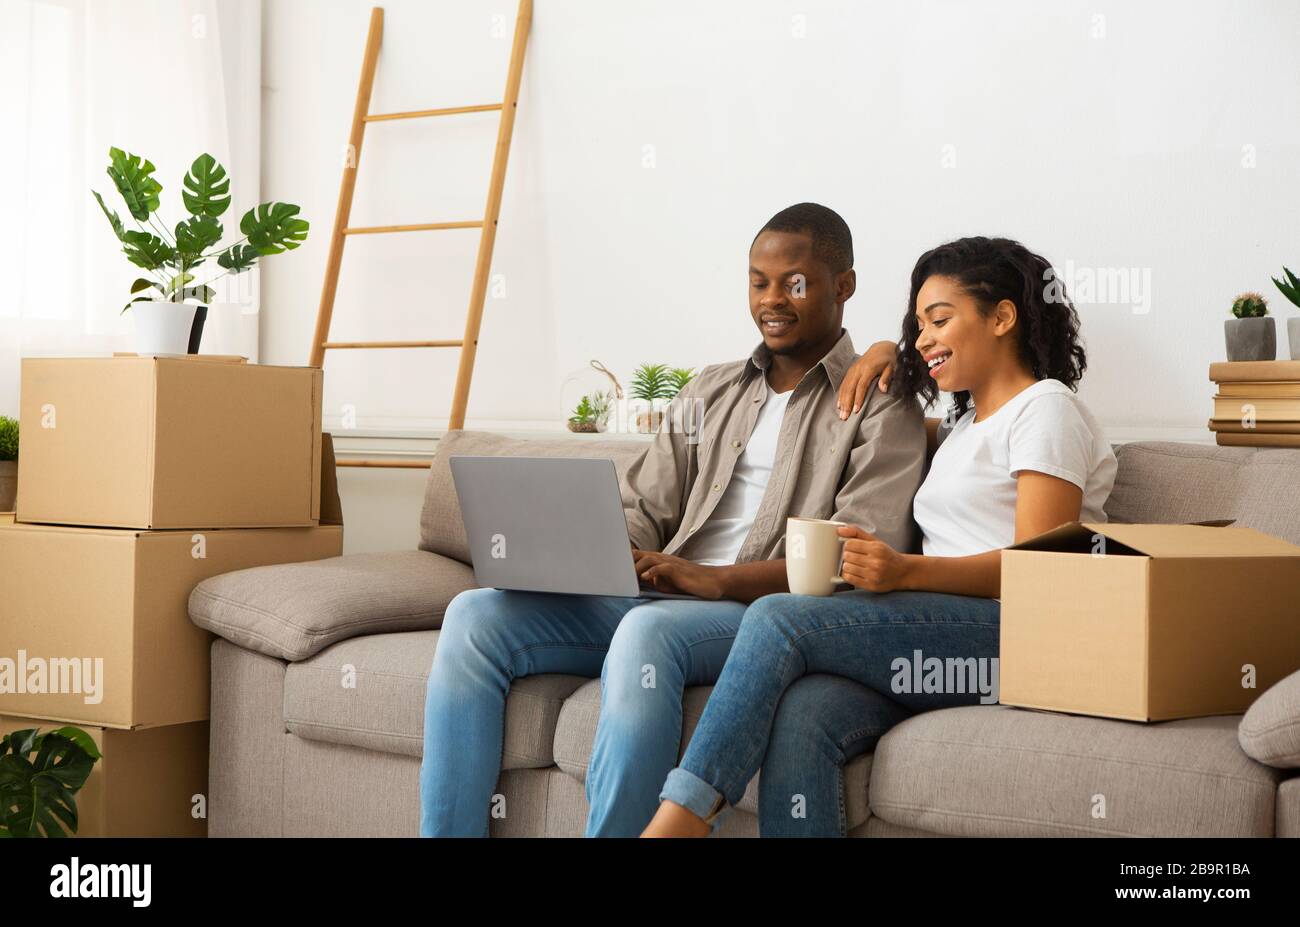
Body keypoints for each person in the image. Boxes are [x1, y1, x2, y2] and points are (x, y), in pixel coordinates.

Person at [419, 203, 928, 837]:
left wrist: (710, 580)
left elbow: (855, 558)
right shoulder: (709, 391)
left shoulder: (880, 402)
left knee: (647, 635)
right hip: (657, 590)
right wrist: (598, 557)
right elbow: (644, 509)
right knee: (473, 615)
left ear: (843, 286)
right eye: (758, 281)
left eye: (794, 282)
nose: (773, 299)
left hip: (754, 615)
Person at [642, 235, 1119, 837]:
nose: (924, 338)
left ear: (1003, 317)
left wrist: (905, 571)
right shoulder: (964, 423)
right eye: (917, 325)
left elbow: (1045, 570)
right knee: (804, 713)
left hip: (1019, 636)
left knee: (777, 617)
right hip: (945, 642)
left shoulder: (1046, 410)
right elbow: (883, 427)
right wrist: (882, 350)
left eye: (939, 320)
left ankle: (678, 821)